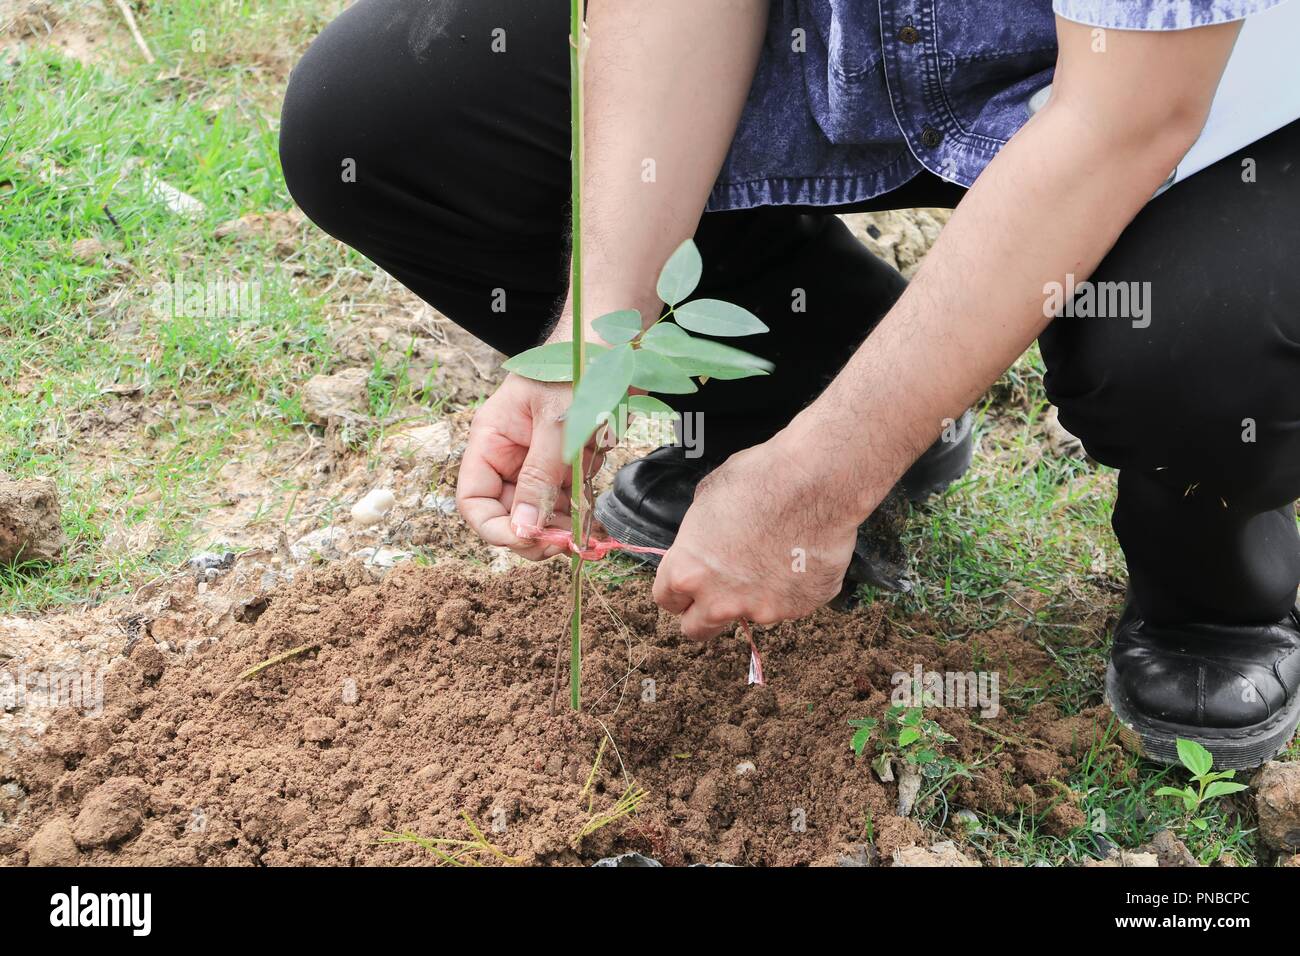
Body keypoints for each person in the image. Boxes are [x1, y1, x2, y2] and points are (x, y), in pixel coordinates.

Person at [280, 0, 1300, 768]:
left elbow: (1124, 117)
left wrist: (827, 478)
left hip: (1210, 97)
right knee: (391, 116)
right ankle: (805, 391)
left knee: (1195, 343)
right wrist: (596, 334)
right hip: (854, 41)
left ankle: (1208, 572)